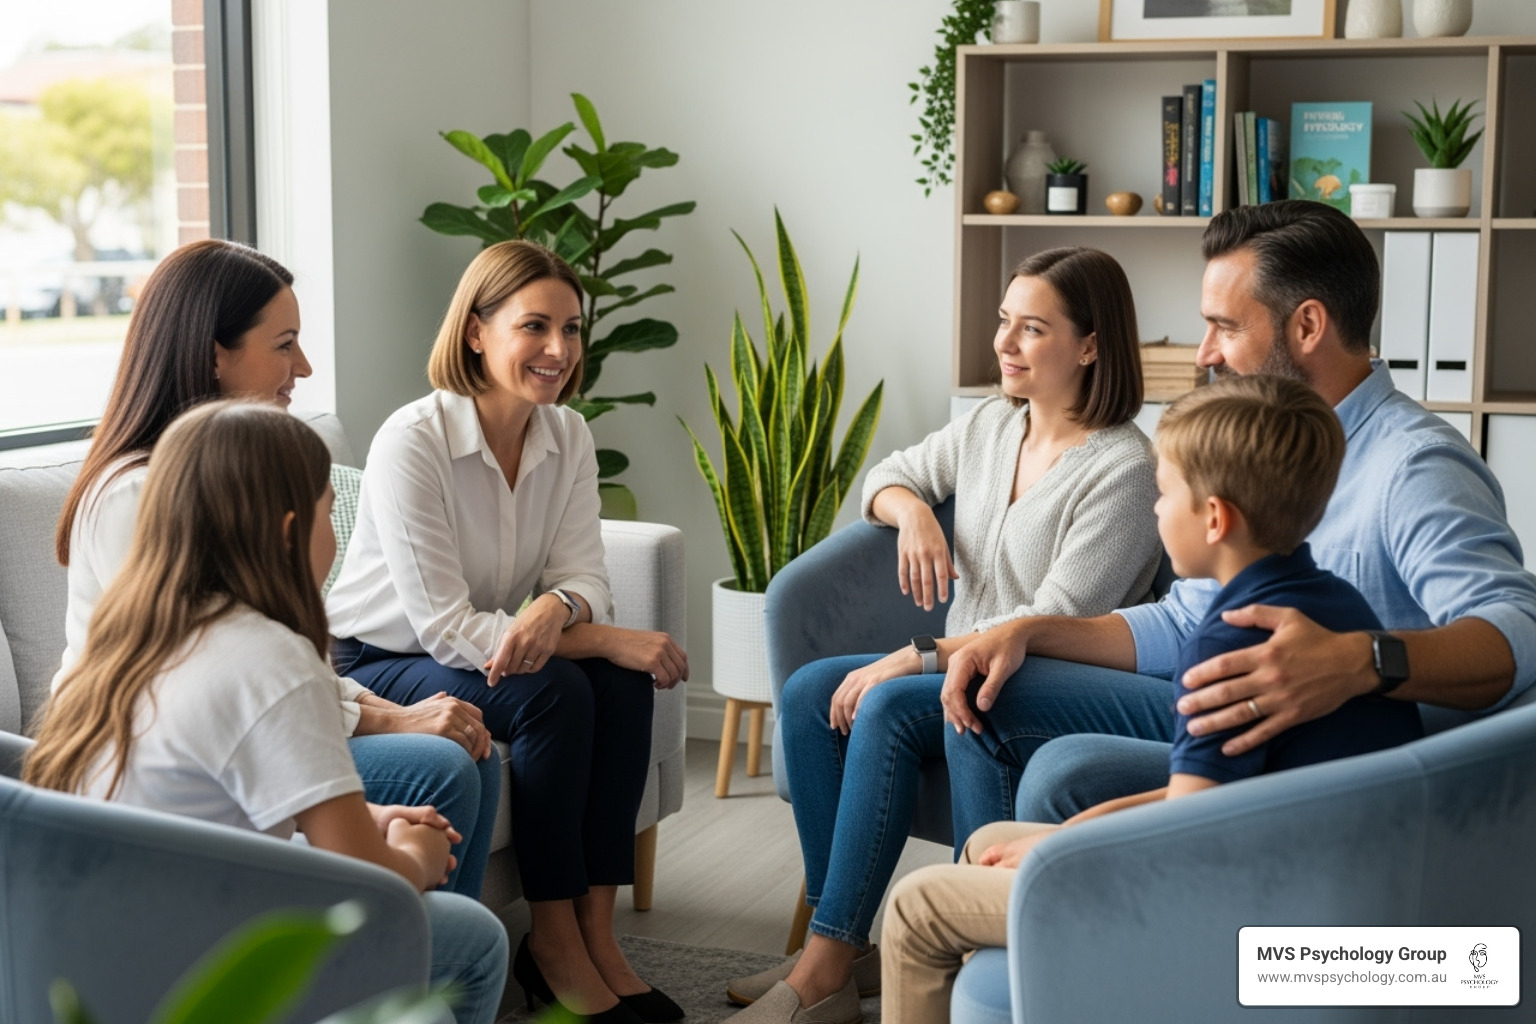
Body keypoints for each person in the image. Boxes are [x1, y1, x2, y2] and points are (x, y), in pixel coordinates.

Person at [939, 199, 1536, 832]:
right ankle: (993, 894)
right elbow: (1184, 618)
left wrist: (1360, 660)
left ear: (1307, 326)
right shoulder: (1264, 444)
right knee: (993, 690)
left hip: (1352, 765)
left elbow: (1518, 629)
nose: (1204, 354)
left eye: (1225, 327)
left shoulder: (1413, 464)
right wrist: (1032, 630)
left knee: (1048, 760)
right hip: (1238, 706)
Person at [878, 373, 1427, 1022]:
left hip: (1265, 908)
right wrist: (1069, 835)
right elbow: (1208, 795)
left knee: (917, 906)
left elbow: (1183, 832)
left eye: (1165, 495)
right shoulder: (1331, 606)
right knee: (988, 842)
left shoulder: (1229, 642)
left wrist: (1059, 855)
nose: (1156, 511)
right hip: (1315, 866)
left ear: (1215, 518)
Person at [723, 248, 1163, 1024]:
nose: (1004, 343)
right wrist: (916, 513)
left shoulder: (1124, 468)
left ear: (1091, 345)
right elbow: (884, 478)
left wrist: (917, 657)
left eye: (1032, 329)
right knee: (810, 692)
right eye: (1004, 320)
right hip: (956, 662)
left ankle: (831, 966)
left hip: (1040, 680)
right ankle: (843, 945)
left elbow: (1051, 621)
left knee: (890, 706)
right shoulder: (992, 424)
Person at [25, 402, 508, 1024]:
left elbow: (199, 812)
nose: (336, 535)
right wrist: (416, 856)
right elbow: (371, 881)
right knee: (475, 938)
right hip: (199, 970)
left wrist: (365, 816)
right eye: (328, 510)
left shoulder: (129, 636)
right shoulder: (272, 658)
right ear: (287, 533)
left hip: (95, 957)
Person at [51, 239, 500, 898]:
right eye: (285, 344)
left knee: (466, 749)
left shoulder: (228, 478)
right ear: (215, 355)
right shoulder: (135, 496)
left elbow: (265, 662)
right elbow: (221, 672)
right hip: (177, 751)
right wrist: (393, 719)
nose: (305, 366)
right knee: (443, 766)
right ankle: (411, 944)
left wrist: (391, 710)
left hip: (236, 721)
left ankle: (433, 942)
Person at [324, 240, 688, 1024]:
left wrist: (560, 608)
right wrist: (598, 635)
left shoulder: (568, 435)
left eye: (571, 328)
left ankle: (598, 936)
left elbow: (585, 577)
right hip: (381, 658)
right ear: (475, 332)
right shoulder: (412, 441)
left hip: (477, 645)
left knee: (623, 685)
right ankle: (551, 944)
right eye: (534, 326)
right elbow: (445, 626)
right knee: (554, 691)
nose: (559, 349)